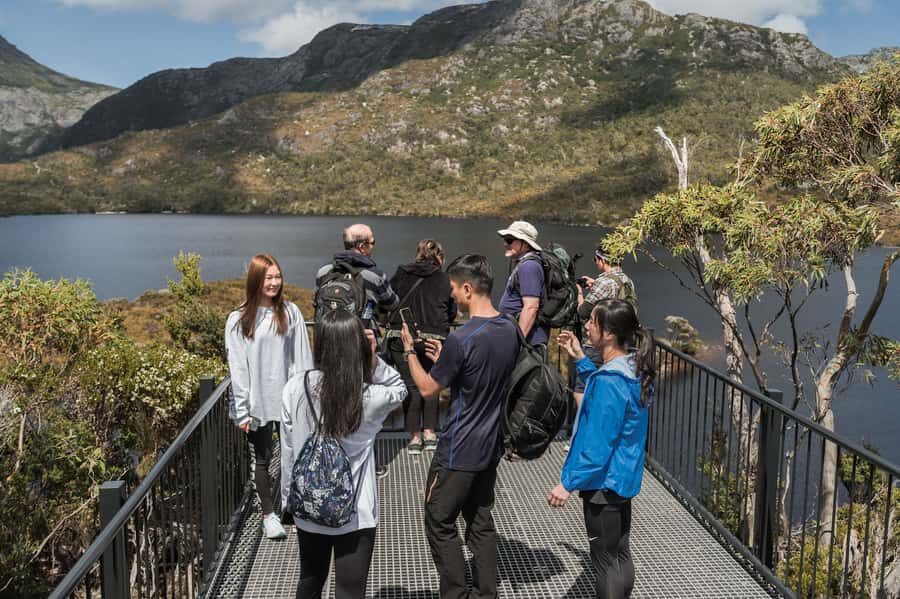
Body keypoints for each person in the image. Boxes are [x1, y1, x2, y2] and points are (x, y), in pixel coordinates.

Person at [400, 254, 519, 599]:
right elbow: (478, 379)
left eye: (453, 288)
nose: (451, 295)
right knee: (480, 523)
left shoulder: (463, 338)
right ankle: (486, 593)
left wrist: (410, 352)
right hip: (489, 446)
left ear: (467, 288)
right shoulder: (508, 328)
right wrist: (447, 362)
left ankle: (455, 593)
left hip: (458, 449)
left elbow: (427, 389)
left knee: (438, 520)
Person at [280, 309, 407, 599]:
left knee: (310, 580)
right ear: (357, 346)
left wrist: (289, 501)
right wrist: (373, 358)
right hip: (356, 512)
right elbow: (399, 388)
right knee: (350, 589)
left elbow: (288, 451)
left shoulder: (294, 388)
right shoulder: (370, 398)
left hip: (309, 505)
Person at [549, 299, 656, 599]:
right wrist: (582, 359)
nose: (585, 326)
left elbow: (597, 446)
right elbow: (606, 393)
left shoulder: (611, 381)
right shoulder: (633, 369)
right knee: (620, 553)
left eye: (592, 322)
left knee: (605, 562)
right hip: (623, 477)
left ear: (608, 333)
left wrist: (567, 484)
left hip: (603, 484)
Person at [225, 254, 313, 540]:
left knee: (295, 454)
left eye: (277, 276)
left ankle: (294, 509)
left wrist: (307, 396)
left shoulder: (291, 312)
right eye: (268, 277)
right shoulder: (238, 319)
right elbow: (238, 367)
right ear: (256, 280)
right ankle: (268, 515)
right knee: (262, 458)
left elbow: (302, 357)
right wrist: (242, 409)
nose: (274, 282)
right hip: (258, 402)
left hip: (289, 398)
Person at [315, 222, 399, 478]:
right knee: (364, 406)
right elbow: (393, 302)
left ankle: (330, 458)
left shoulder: (323, 272)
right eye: (372, 242)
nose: (373, 247)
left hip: (329, 348)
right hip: (362, 349)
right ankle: (367, 462)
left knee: (330, 402)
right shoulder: (374, 276)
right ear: (362, 246)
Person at [387, 239, 457, 454]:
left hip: (402, 336)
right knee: (432, 384)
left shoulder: (401, 273)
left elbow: (389, 300)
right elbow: (451, 310)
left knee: (411, 386)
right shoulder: (445, 279)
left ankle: (414, 438)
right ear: (440, 257)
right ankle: (430, 433)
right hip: (434, 339)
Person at [573, 245, 639, 413]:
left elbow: (583, 312)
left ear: (602, 260)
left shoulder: (604, 281)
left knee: (583, 389)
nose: (596, 263)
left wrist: (579, 293)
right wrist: (594, 285)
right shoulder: (626, 280)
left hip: (599, 345)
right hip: (620, 344)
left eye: (595, 260)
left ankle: (588, 423)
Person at [497, 220, 549, 347]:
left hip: (529, 343)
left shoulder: (529, 266)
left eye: (509, 240)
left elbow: (531, 307)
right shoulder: (525, 264)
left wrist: (517, 343)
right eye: (504, 239)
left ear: (525, 243)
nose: (505, 243)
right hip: (525, 339)